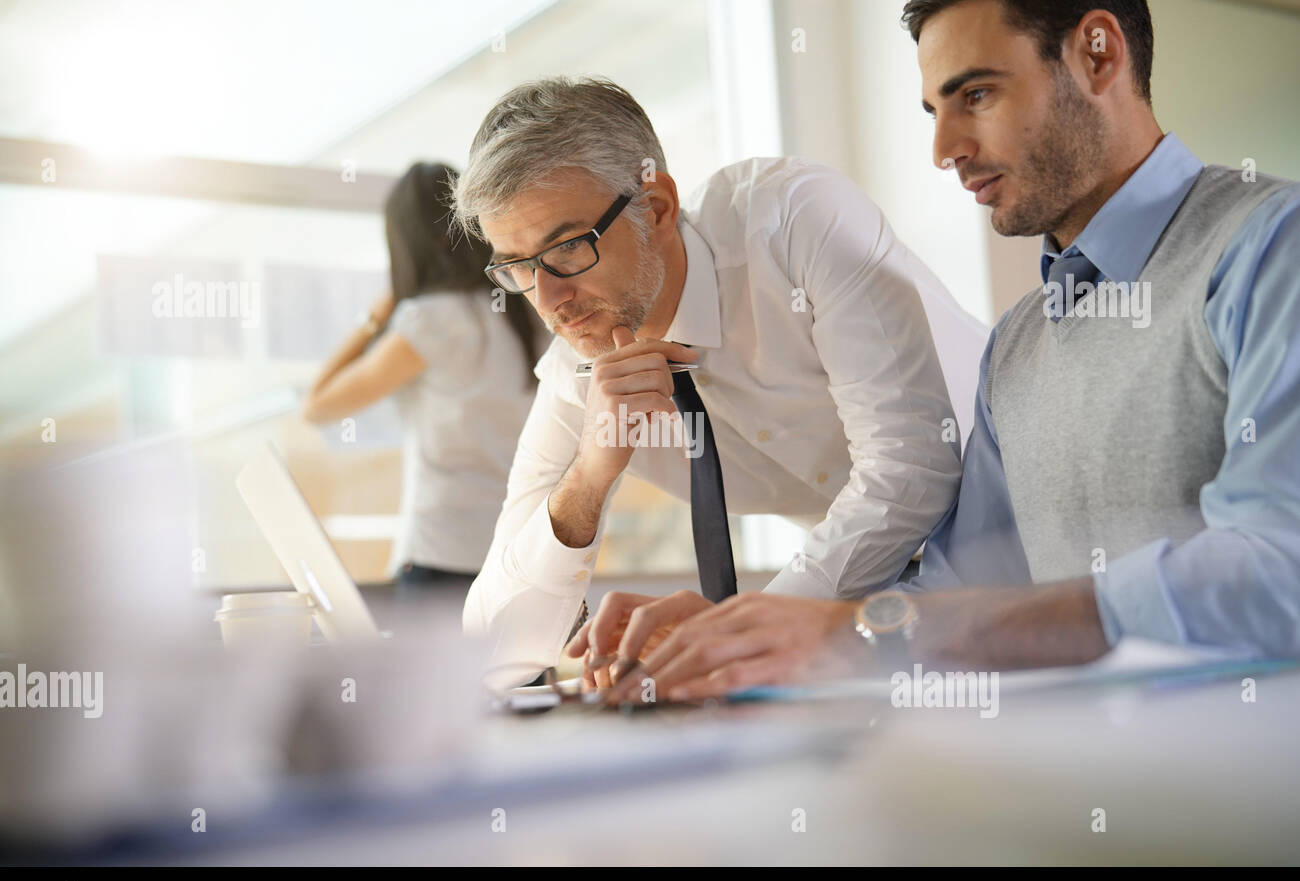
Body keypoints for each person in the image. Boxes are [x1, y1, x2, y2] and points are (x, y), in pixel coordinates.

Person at [589, 0, 1300, 704]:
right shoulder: (1017, 345)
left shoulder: (1273, 250)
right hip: (1079, 786)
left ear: (1097, 54)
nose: (944, 149)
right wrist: (762, 628)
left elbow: (1279, 568)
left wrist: (860, 632)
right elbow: (963, 591)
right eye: (934, 111)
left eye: (976, 95)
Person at [451, 77, 986, 687]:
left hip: (1029, 538)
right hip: (881, 616)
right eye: (518, 267)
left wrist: (736, 633)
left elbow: (912, 466)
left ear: (655, 209)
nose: (548, 301)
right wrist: (589, 479)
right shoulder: (579, 378)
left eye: (568, 249)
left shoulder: (792, 222)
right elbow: (493, 651)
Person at [303, 162, 541, 589]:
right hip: (520, 550)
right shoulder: (523, 312)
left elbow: (318, 407)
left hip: (443, 551)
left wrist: (374, 319)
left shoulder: (430, 321)